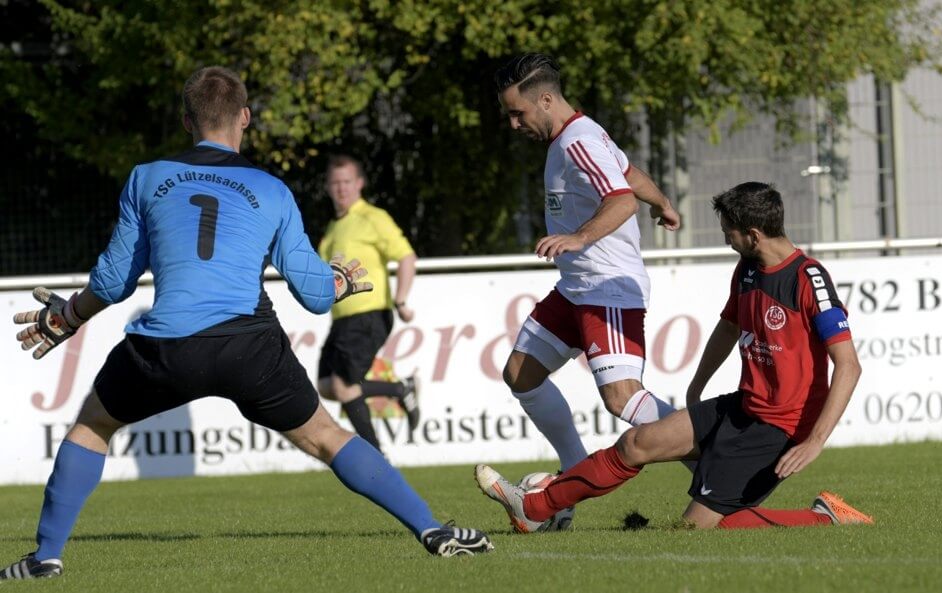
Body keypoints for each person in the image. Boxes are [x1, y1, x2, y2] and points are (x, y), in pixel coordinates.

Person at [1, 67, 491, 581]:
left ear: (186, 120)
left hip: (167, 347)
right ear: (245, 118)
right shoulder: (271, 190)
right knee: (326, 435)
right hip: (249, 346)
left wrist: (69, 316)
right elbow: (316, 296)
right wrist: (341, 284)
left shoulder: (147, 177)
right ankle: (431, 529)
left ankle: (46, 557)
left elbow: (113, 281)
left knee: (94, 426)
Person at [475, 182, 873, 531]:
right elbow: (728, 327)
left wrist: (814, 441)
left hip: (777, 430)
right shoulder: (748, 269)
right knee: (636, 443)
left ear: (753, 235)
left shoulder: (808, 280)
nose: (726, 240)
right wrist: (697, 385)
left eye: (729, 233)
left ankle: (825, 517)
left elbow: (848, 365)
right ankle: (533, 508)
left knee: (695, 528)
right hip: (742, 408)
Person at [492, 53, 683, 482]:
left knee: (622, 399)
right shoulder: (579, 135)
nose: (514, 125)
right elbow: (629, 174)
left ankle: (712, 450)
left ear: (545, 100)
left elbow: (621, 199)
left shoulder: (578, 142)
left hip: (606, 287)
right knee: (521, 373)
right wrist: (663, 202)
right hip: (576, 287)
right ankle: (575, 469)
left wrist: (579, 237)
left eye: (518, 113)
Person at [315, 155, 420, 453]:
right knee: (326, 385)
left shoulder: (373, 217)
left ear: (359, 183)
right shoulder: (334, 227)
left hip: (369, 315)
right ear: (328, 187)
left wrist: (401, 299)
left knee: (343, 386)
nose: (341, 188)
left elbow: (406, 257)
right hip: (342, 320)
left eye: (347, 181)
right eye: (336, 183)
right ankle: (399, 389)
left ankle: (376, 458)